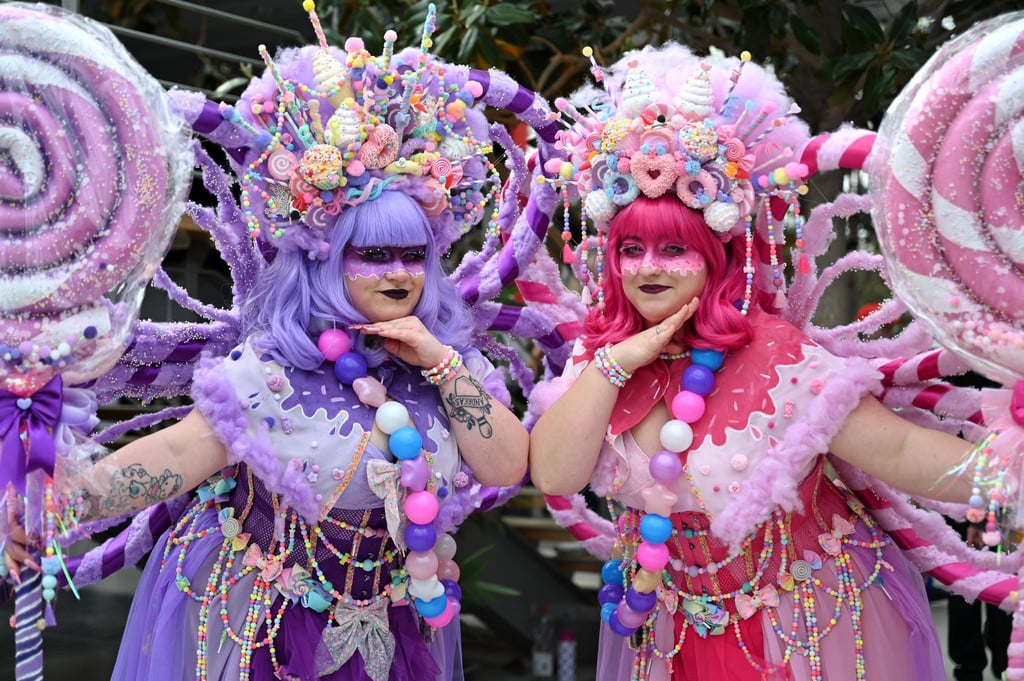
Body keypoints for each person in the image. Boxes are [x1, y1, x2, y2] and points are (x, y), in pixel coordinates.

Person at [3, 8, 536, 680]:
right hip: (261, 628)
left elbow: (507, 464)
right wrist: (66, 500)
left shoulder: (447, 370)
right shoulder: (273, 371)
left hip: (394, 629)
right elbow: (177, 453)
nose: (399, 272)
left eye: (413, 255)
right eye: (372, 254)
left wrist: (440, 362)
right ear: (323, 261)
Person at [526, 43, 1000, 681]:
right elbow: (555, 473)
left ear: (718, 254)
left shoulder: (774, 354)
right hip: (671, 629)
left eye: (674, 248)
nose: (648, 268)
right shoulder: (598, 352)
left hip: (808, 626)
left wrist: (1011, 478)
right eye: (631, 248)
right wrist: (619, 362)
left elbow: (901, 455)